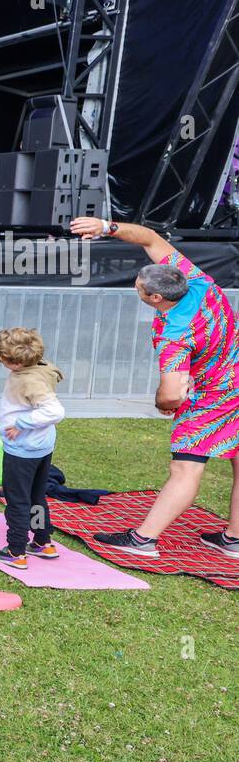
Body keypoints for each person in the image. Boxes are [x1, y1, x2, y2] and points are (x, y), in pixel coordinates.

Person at [70, 216, 239, 558]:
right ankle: (234, 539)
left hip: (213, 397)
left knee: (186, 468)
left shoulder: (174, 335)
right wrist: (106, 227)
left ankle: (143, 540)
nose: (137, 287)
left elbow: (173, 392)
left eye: (140, 287)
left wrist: (164, 404)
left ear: (156, 297)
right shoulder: (198, 281)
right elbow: (149, 238)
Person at [0, 323, 66, 568]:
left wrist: (21, 423)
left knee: (17, 500)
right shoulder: (39, 364)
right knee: (36, 496)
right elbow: (14, 352)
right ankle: (43, 542)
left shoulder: (29, 382)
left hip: (22, 450)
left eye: (3, 359)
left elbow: (55, 411)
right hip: (41, 447)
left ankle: (15, 550)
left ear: (15, 363)